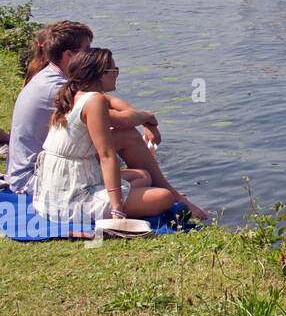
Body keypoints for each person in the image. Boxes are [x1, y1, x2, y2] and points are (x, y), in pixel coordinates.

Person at [6, 24, 207, 219]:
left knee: (143, 177)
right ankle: (169, 194)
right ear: (70, 55)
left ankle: (160, 192)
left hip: (61, 173)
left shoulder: (68, 86)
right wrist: (117, 208)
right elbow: (110, 147)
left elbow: (112, 104)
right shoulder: (59, 88)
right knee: (160, 194)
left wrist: (145, 119)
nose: (117, 74)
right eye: (113, 71)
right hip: (42, 181)